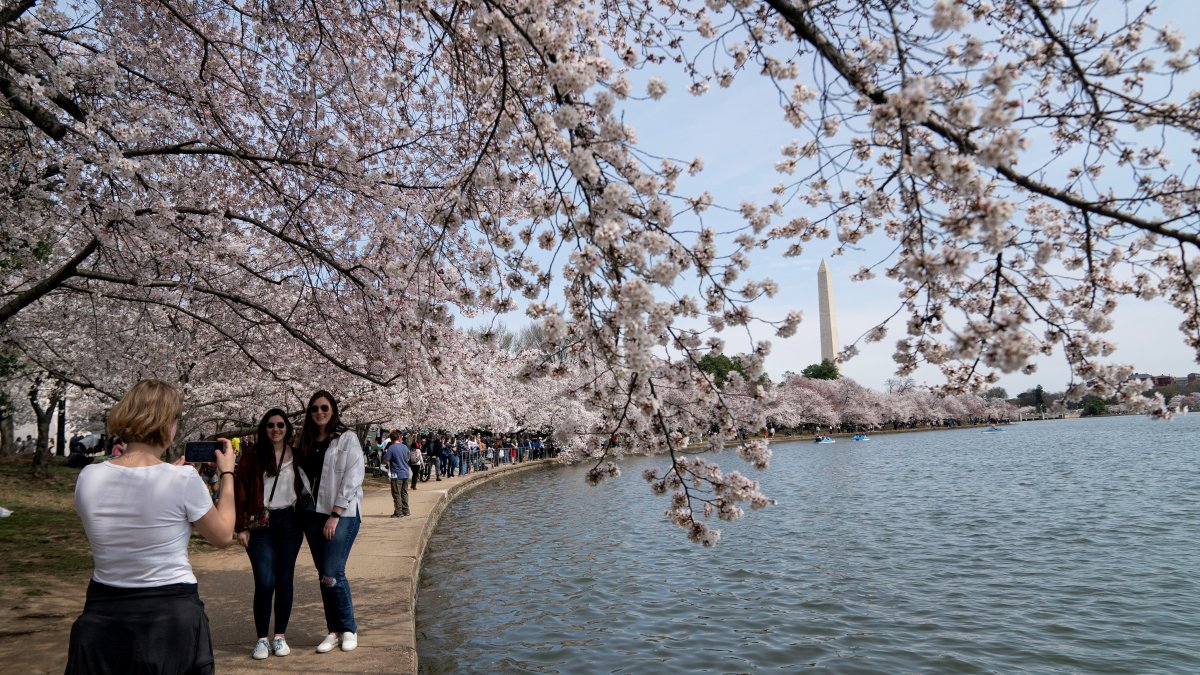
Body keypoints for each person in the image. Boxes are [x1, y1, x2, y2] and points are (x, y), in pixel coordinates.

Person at [66, 378, 236, 674]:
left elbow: (128, 511)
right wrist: (228, 474)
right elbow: (222, 536)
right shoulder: (183, 480)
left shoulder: (88, 477)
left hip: (104, 613)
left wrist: (165, 476)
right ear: (168, 423)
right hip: (170, 616)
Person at [296, 390, 364, 654]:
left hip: (342, 513)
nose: (319, 412)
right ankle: (333, 630)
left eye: (324, 408)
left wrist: (335, 514)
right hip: (313, 514)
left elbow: (353, 476)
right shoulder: (306, 442)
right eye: (314, 409)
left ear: (333, 410)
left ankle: (349, 628)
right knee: (323, 575)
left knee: (332, 571)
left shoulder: (347, 439)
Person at [234, 408, 304, 660]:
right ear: (264, 428)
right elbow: (240, 490)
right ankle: (261, 639)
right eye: (271, 425)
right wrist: (240, 527)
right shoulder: (252, 456)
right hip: (261, 523)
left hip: (290, 523)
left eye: (281, 425)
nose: (276, 429)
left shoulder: (296, 455)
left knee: (285, 581)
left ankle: (280, 637)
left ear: (287, 429)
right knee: (265, 582)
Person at [383, 431, 410, 517]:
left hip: (396, 474)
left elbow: (385, 460)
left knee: (396, 493)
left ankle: (398, 512)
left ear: (391, 439)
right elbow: (408, 458)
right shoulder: (405, 447)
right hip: (406, 472)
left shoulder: (391, 448)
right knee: (404, 492)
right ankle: (406, 510)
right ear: (399, 437)